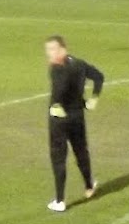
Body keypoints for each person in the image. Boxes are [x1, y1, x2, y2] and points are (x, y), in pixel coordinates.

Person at [44, 35, 103, 212]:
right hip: (77, 116)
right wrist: (93, 99)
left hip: (60, 118)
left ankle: (60, 200)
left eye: (53, 49)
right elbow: (99, 77)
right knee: (81, 151)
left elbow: (60, 87)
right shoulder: (79, 64)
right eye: (48, 50)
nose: (50, 53)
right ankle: (89, 186)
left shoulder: (57, 68)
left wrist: (55, 104)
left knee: (58, 157)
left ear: (63, 48)